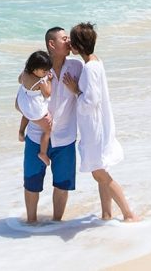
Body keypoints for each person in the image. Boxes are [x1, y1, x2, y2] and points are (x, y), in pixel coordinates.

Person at [62, 22, 140, 222]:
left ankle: (129, 214)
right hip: (97, 126)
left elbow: (91, 101)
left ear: (78, 46)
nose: (69, 43)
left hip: (94, 128)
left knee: (99, 173)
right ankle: (106, 214)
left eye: (72, 40)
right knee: (100, 171)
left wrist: (75, 90)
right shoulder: (96, 62)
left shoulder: (89, 68)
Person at [21, 26, 83, 224]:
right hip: (36, 136)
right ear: (51, 44)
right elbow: (19, 101)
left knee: (62, 185)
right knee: (31, 184)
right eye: (64, 38)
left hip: (65, 137)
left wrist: (76, 90)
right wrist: (35, 121)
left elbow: (89, 97)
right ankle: (30, 224)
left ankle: (57, 225)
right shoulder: (36, 69)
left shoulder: (77, 67)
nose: (68, 41)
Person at [15, 50, 53, 166]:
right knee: (48, 129)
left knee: (26, 114)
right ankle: (42, 152)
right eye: (44, 71)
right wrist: (49, 81)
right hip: (35, 110)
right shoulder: (40, 81)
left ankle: (21, 132)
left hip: (23, 102)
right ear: (35, 69)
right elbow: (47, 93)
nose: (46, 73)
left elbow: (19, 80)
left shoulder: (25, 73)